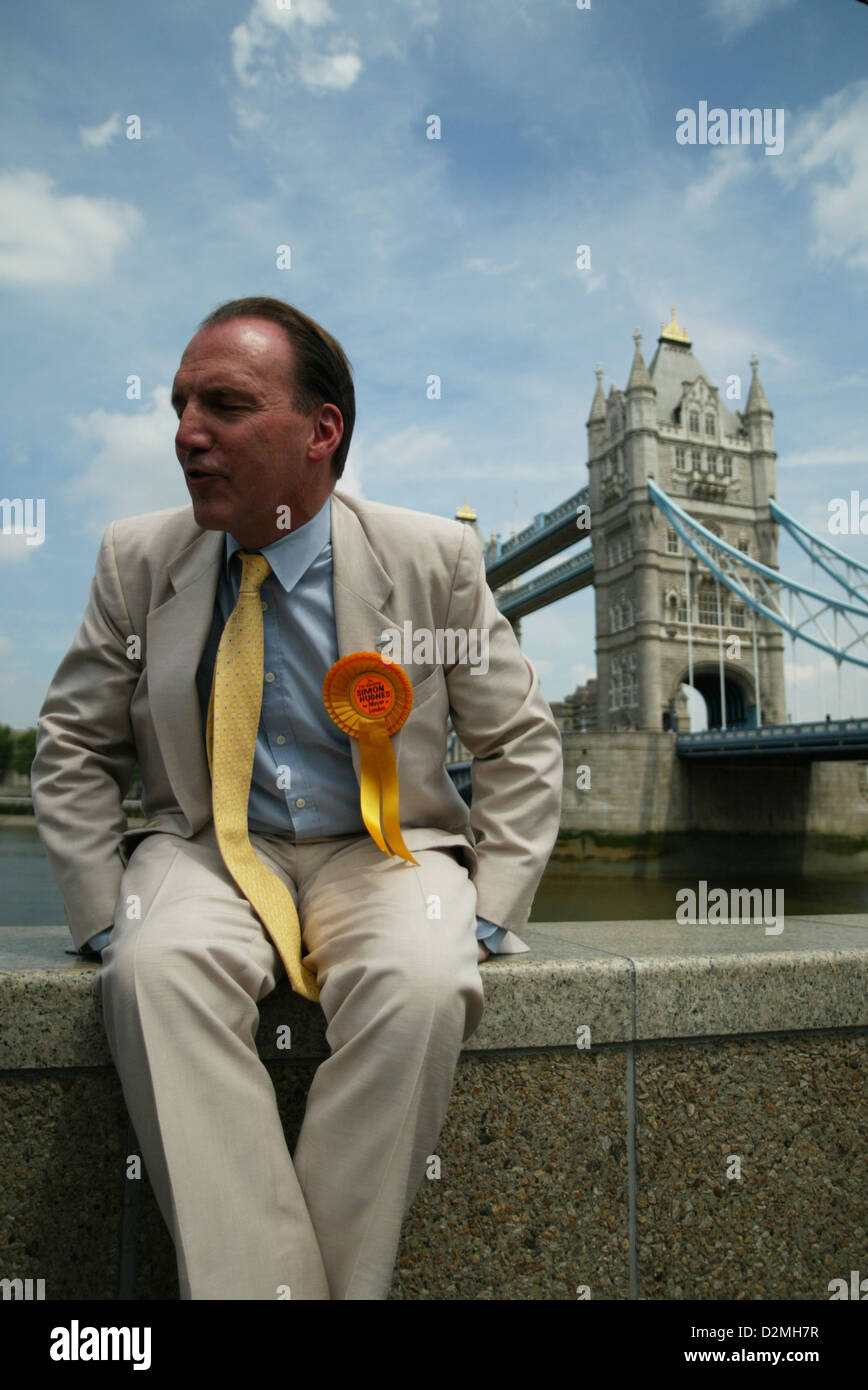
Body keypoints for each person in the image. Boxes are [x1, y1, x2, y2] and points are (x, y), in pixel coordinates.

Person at [31, 296, 564, 1300]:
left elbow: (518, 740)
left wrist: (489, 915)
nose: (186, 434)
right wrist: (103, 918)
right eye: (181, 405)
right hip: (205, 846)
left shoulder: (433, 558)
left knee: (424, 981)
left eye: (224, 406)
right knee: (149, 973)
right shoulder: (135, 558)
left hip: (384, 846)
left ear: (321, 432)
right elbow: (72, 743)